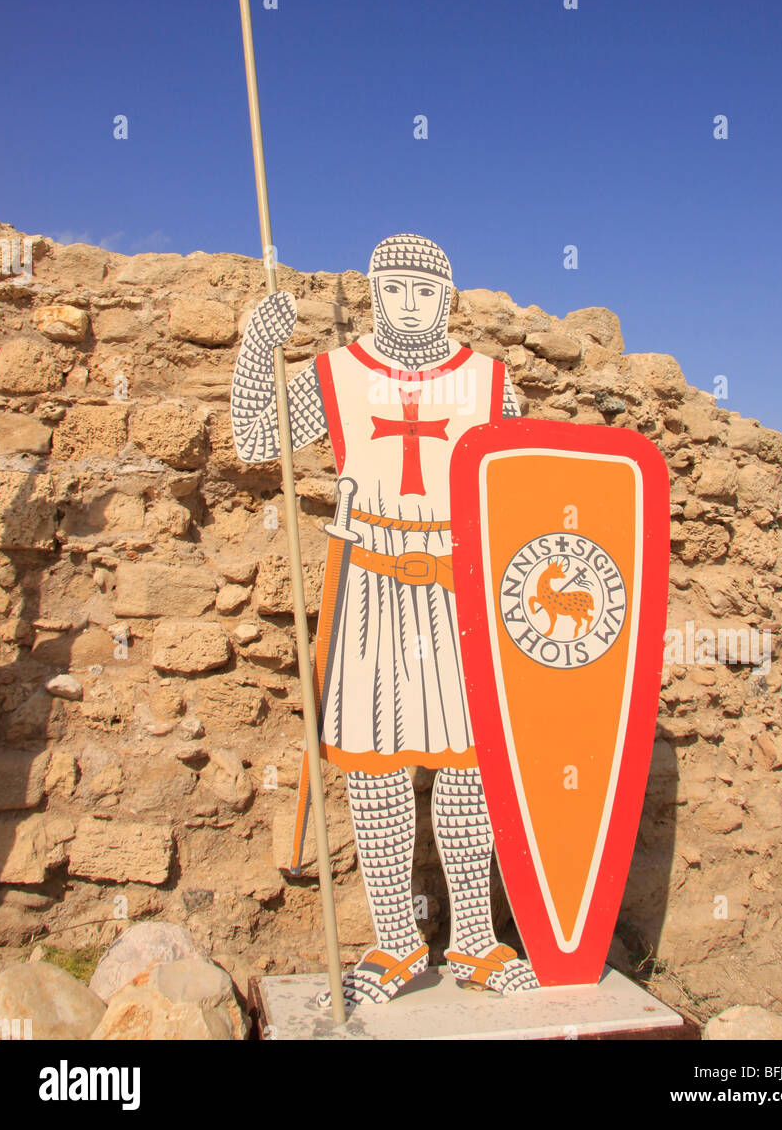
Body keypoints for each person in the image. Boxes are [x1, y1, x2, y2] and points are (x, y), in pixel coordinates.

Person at [231, 233, 539, 1006]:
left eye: (423, 290)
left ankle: (474, 938)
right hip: (369, 584)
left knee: (469, 771)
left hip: (460, 587)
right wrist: (254, 349)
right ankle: (397, 942)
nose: (407, 303)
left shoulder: (489, 382)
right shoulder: (336, 375)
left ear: (447, 297)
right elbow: (256, 439)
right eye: (392, 289)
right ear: (374, 293)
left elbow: (526, 485)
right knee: (377, 775)